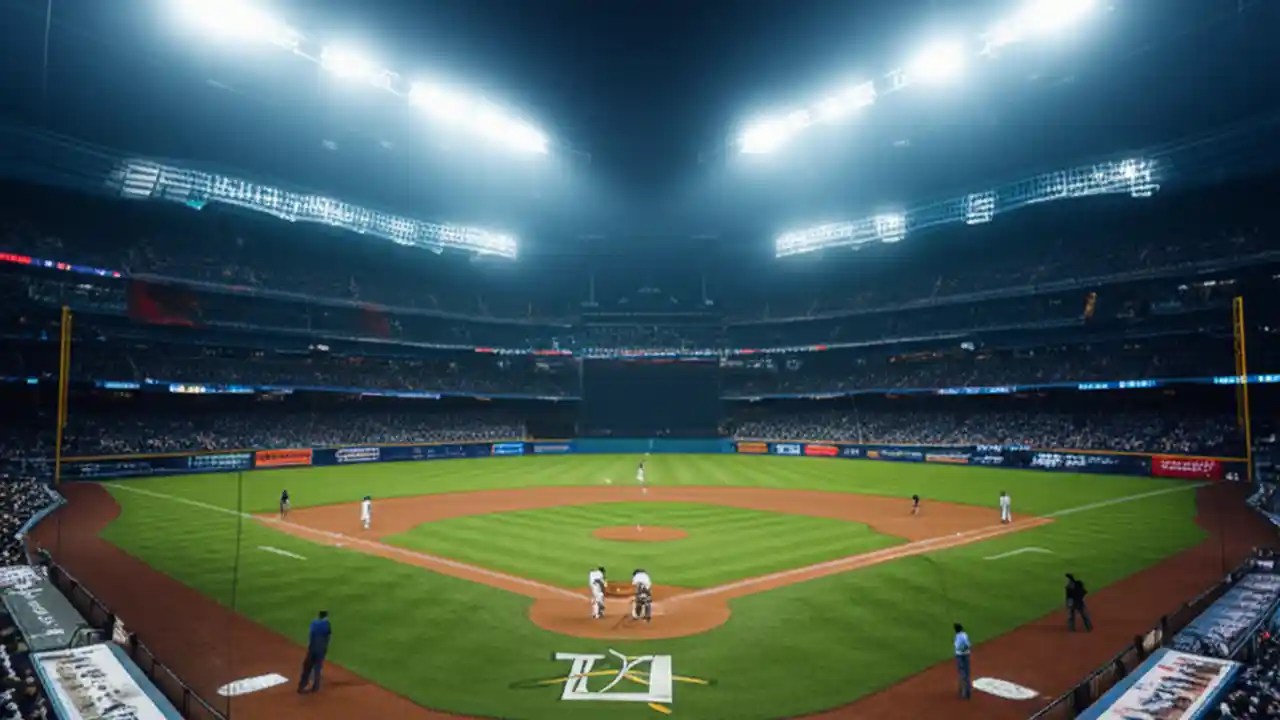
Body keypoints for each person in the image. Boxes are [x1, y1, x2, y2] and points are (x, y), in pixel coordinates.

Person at [298, 610, 331, 693]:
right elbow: (328, 638)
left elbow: (310, 635)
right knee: (317, 668)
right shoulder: (327, 625)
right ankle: (315, 687)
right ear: (326, 617)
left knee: (307, 667)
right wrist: (325, 649)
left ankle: (302, 685)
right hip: (320, 650)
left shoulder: (314, 623)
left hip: (312, 648)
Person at [953, 622, 971, 700]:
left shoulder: (959, 636)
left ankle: (964, 692)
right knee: (966, 673)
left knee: (962, 673)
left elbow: (966, 645)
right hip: (966, 655)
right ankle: (966, 691)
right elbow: (968, 644)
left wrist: (962, 650)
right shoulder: (964, 635)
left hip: (960, 656)